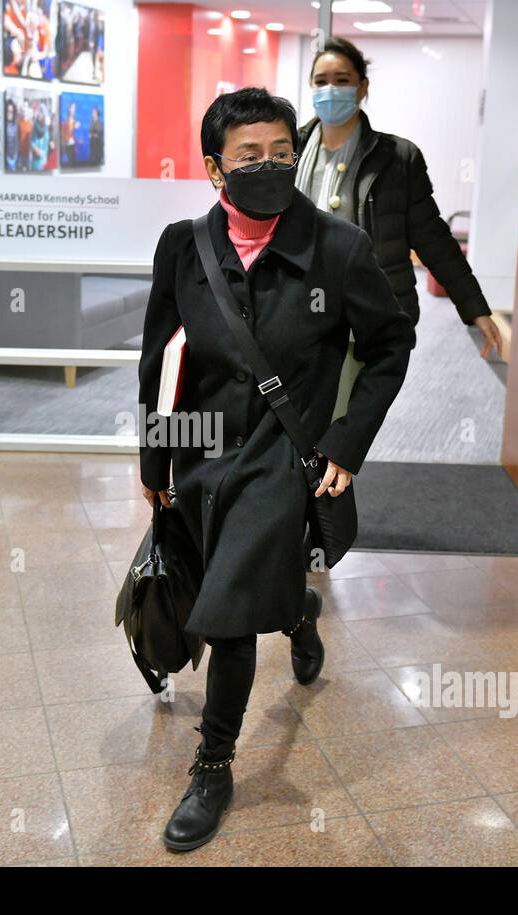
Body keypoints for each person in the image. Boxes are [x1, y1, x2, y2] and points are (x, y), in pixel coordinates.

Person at [137, 88, 415, 851]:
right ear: (213, 167)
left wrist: (347, 444)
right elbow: (161, 357)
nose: (269, 166)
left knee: (227, 613)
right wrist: (155, 457)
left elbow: (392, 346)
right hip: (200, 452)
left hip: (282, 458)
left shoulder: (338, 247)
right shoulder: (183, 245)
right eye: (249, 156)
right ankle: (298, 610)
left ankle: (214, 764)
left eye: (283, 152)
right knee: (233, 577)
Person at [298, 37, 501, 376]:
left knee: (351, 418)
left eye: (342, 80)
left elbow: (434, 239)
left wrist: (474, 306)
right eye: (321, 81)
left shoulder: (396, 158)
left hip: (368, 313)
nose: (330, 89)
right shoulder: (288, 150)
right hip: (298, 311)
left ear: (363, 87)